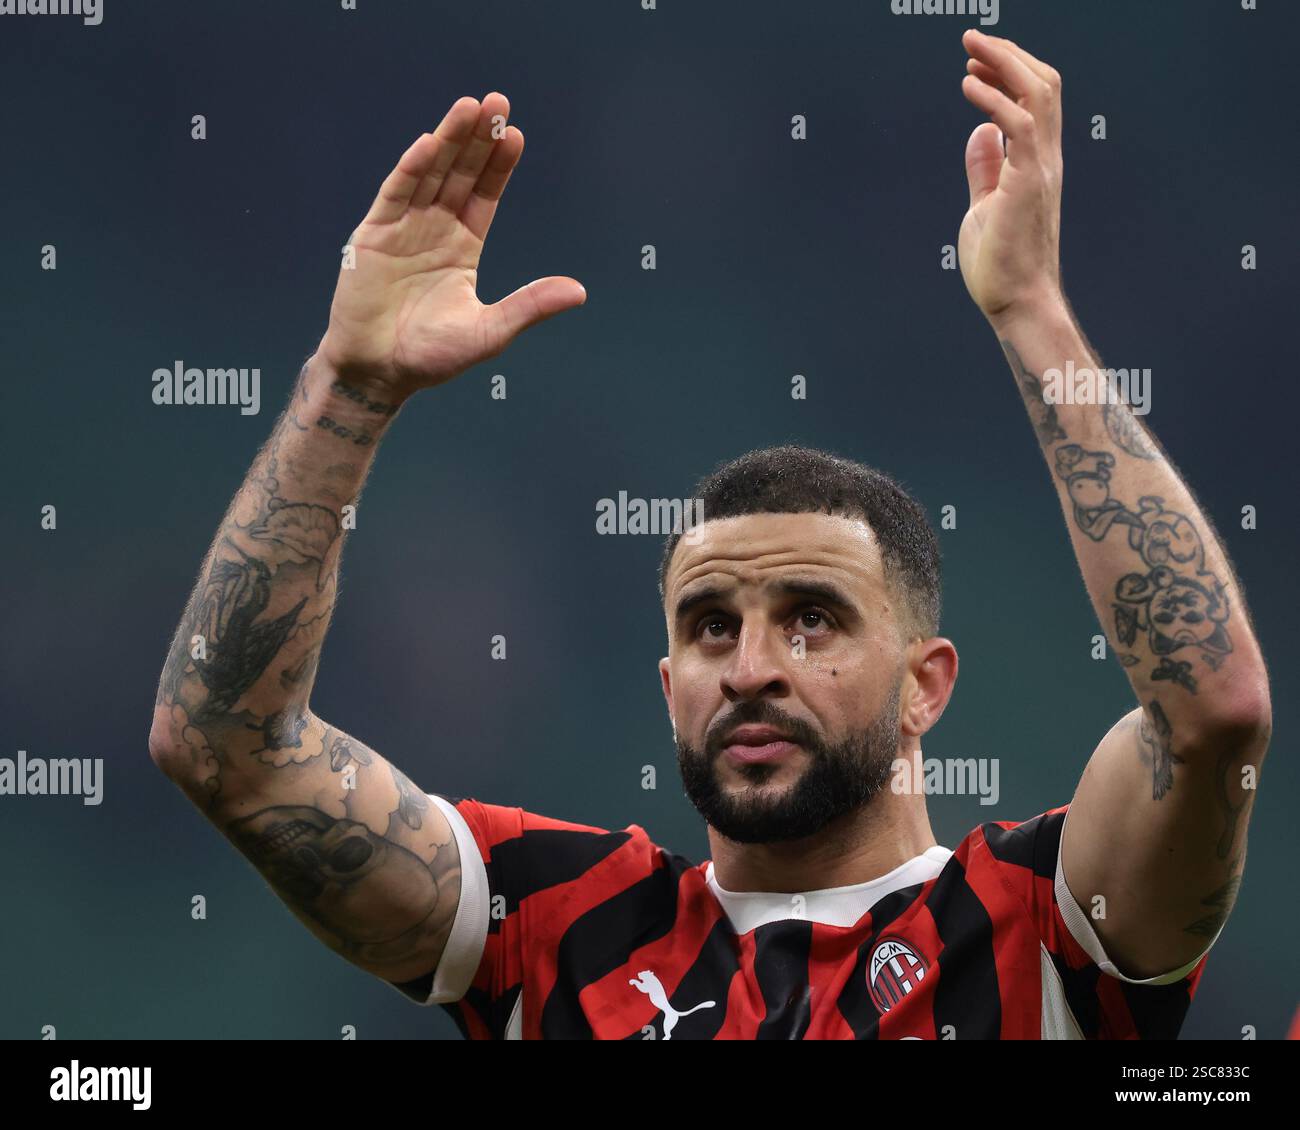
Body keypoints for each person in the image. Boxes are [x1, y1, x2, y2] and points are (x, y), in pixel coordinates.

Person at [149, 30, 1272, 1039]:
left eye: (813, 620)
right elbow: (227, 752)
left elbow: (1211, 712)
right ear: (666, 677)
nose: (750, 668)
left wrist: (1030, 306)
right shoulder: (551, 923)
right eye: (708, 626)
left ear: (926, 685)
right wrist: (348, 386)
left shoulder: (1042, 920)